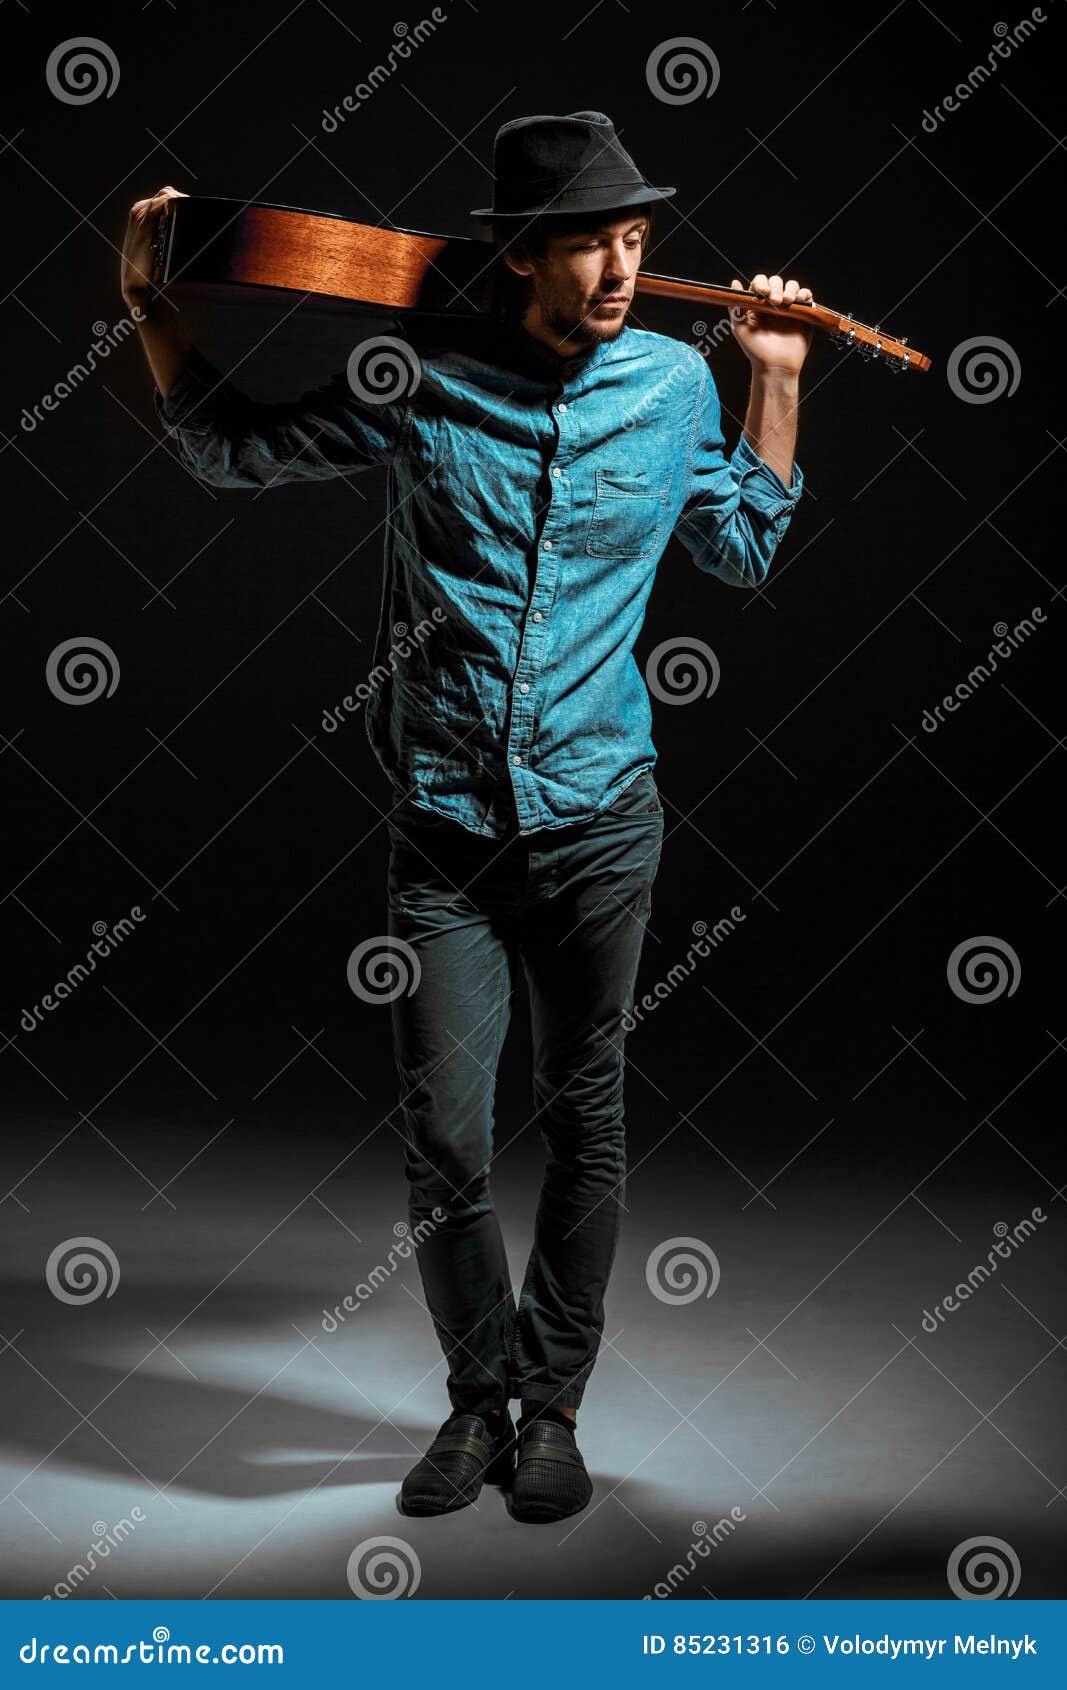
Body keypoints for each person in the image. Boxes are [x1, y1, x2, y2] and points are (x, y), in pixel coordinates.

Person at [121, 110, 812, 1525]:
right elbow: (230, 454)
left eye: (635, 236)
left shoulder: (680, 384)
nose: (620, 266)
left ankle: (553, 1405)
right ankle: (477, 1397)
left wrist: (778, 382)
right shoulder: (420, 375)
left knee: (588, 1118)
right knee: (446, 1134)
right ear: (517, 257)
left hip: (603, 821)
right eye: (586, 242)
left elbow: (744, 542)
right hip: (443, 822)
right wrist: (147, 304)